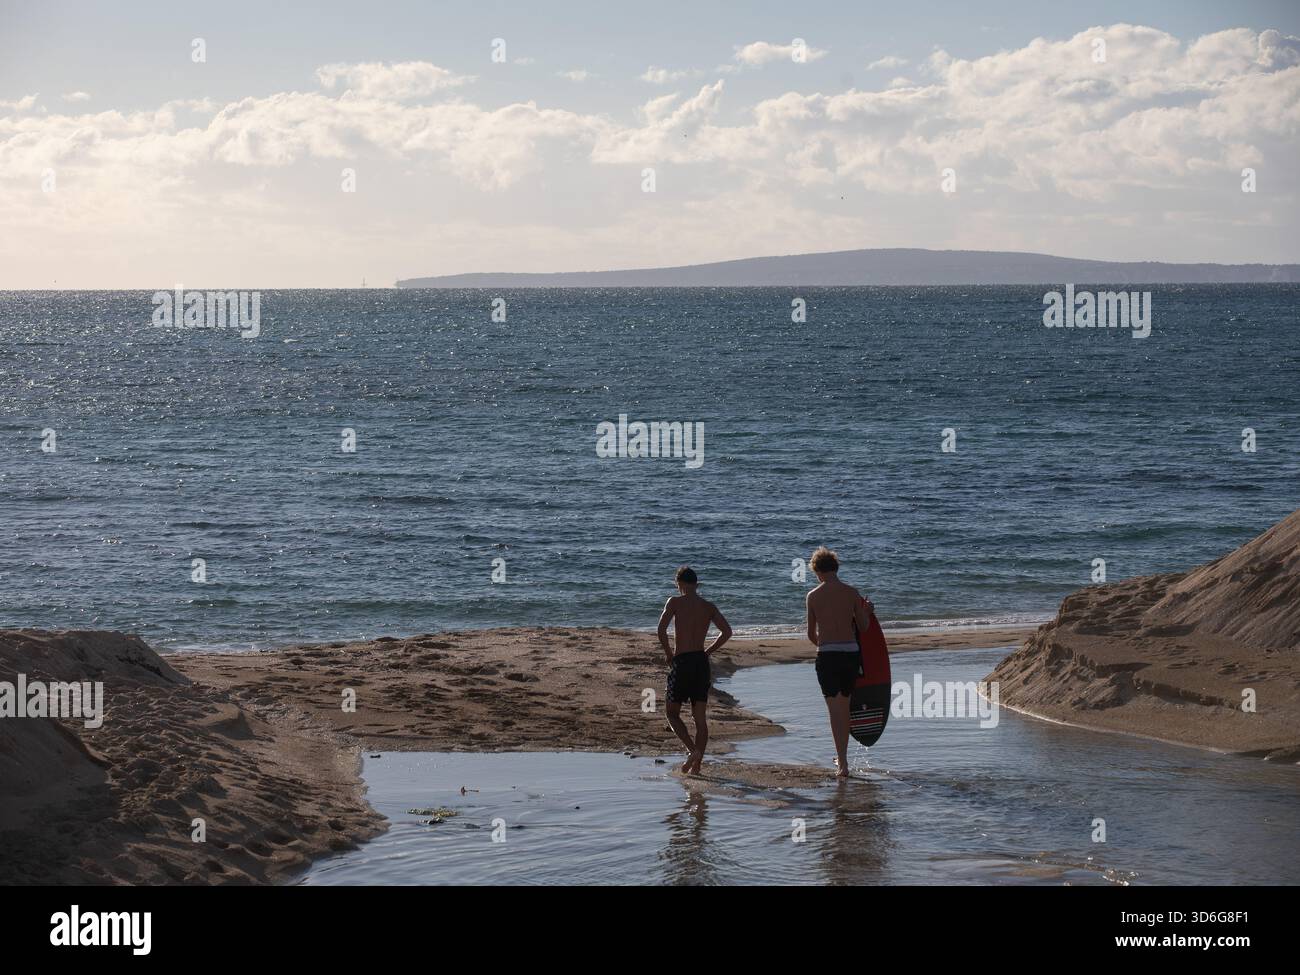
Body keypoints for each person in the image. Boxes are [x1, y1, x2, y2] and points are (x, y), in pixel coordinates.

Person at [805, 546, 874, 778]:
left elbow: (811, 634)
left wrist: (822, 645)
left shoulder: (813, 596)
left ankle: (842, 763)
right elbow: (863, 627)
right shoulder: (852, 593)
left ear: (817, 570)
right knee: (844, 707)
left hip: (827, 655)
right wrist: (867, 611)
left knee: (834, 710)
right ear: (836, 567)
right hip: (850, 654)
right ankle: (842, 760)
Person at [657, 566, 732, 775]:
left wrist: (668, 653)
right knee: (700, 719)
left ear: (678, 584)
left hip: (682, 662)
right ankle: (696, 764)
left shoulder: (674, 602)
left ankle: (693, 751)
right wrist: (708, 651)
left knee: (672, 713)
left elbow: (661, 629)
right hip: (700, 662)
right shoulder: (708, 606)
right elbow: (727, 632)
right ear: (696, 585)